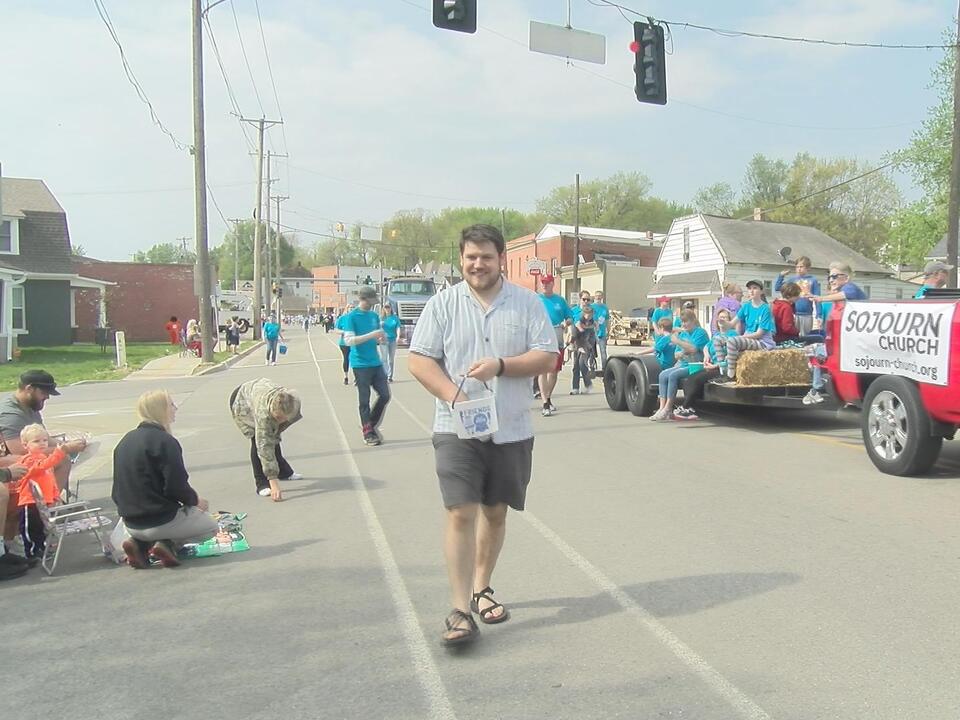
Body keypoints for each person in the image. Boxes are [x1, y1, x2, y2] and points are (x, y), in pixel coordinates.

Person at [408, 224, 556, 647]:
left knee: (495, 511)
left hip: (510, 428)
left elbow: (547, 355)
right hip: (455, 426)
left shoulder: (527, 304)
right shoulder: (442, 305)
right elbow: (419, 360)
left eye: (486, 257)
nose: (478, 264)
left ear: (501, 259)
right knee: (460, 511)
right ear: (461, 258)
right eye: (471, 256)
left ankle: (481, 587)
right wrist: (453, 396)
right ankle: (459, 610)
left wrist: (501, 366)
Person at [112, 390, 217, 568]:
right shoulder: (165, 442)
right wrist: (195, 501)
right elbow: (176, 486)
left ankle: (140, 544)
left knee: (178, 517)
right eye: (171, 405)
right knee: (211, 527)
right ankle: (167, 545)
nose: (175, 409)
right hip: (161, 519)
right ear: (161, 410)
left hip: (130, 522)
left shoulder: (125, 441)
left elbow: (118, 488)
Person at [0, 370, 86, 496]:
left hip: (15, 455)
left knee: (57, 457)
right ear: (29, 388)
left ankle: (47, 498)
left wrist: (69, 444)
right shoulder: (10, 413)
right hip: (5, 458)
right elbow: (19, 450)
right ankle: (46, 503)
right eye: (44, 392)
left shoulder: (30, 405)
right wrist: (64, 450)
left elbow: (44, 437)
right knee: (61, 460)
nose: (47, 397)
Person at [229, 379, 303, 500]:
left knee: (272, 437)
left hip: (258, 392)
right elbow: (263, 447)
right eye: (278, 417)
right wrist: (273, 483)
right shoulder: (263, 413)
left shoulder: (292, 402)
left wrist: (276, 430)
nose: (281, 421)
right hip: (241, 402)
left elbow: (274, 433)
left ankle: (284, 472)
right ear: (272, 411)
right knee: (258, 441)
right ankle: (261, 483)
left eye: (283, 418)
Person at [343, 286, 391, 446]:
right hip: (360, 363)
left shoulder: (373, 316)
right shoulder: (352, 317)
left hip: (375, 362)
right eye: (371, 301)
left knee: (385, 395)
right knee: (364, 399)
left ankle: (369, 423)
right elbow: (349, 340)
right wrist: (372, 335)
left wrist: (380, 339)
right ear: (364, 299)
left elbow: (377, 335)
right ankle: (368, 432)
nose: (373, 304)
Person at [15, 424, 66, 561]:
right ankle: (31, 551)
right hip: (29, 501)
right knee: (30, 529)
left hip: (43, 501)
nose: (42, 443)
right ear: (26, 445)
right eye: (36, 441)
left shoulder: (44, 458)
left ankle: (41, 547)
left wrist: (55, 495)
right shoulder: (28, 459)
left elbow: (51, 480)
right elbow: (40, 467)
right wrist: (59, 453)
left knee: (42, 527)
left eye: (44, 440)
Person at [650, 310, 710, 422]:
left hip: (695, 365)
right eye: (682, 322)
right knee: (663, 375)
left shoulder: (700, 333)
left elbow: (693, 349)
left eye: (686, 322)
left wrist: (679, 342)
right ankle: (661, 408)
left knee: (673, 375)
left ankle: (668, 408)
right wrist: (681, 352)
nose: (683, 325)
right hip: (682, 363)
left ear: (693, 320)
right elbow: (676, 355)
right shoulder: (683, 334)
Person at [712, 279, 776, 382]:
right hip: (748, 339)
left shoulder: (765, 308)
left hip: (762, 342)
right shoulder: (746, 306)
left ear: (761, 291)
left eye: (755, 288)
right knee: (717, 340)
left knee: (733, 341)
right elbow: (732, 324)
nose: (751, 291)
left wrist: (740, 337)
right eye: (749, 288)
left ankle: (731, 374)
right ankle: (723, 370)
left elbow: (759, 334)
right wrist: (723, 322)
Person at [537, 274, 572, 417]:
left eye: (547, 283)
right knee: (542, 370)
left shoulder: (560, 301)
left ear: (552, 284)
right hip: (541, 338)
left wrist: (566, 323)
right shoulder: (536, 299)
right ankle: (545, 402)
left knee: (553, 371)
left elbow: (570, 316)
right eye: (543, 283)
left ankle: (548, 397)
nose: (544, 285)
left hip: (557, 336)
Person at [775, 256, 820, 335]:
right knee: (795, 335)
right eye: (797, 267)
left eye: (801, 267)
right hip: (794, 313)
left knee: (806, 336)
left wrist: (819, 314)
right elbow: (778, 288)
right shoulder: (792, 279)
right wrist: (781, 276)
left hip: (807, 314)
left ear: (807, 268)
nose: (799, 269)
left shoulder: (813, 280)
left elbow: (818, 299)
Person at [570, 303, 597, 395]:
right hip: (577, 345)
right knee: (575, 367)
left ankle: (588, 384)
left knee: (582, 364)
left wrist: (589, 346)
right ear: (583, 314)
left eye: (590, 315)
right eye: (586, 314)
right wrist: (577, 346)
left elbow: (592, 337)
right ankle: (575, 387)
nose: (588, 316)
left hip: (587, 346)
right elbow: (574, 335)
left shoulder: (592, 323)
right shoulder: (578, 322)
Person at [380, 304, 402, 382]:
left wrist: (398, 337)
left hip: (392, 340)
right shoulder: (381, 318)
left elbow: (398, 327)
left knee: (391, 359)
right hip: (383, 340)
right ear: (383, 309)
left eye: (388, 307)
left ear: (390, 308)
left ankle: (390, 376)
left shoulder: (394, 318)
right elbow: (377, 328)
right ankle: (384, 375)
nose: (387, 309)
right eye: (385, 307)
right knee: (384, 358)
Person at [333, 306, 353, 385]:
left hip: (355, 341)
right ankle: (346, 376)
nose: (351, 309)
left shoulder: (356, 318)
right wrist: (344, 332)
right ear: (347, 309)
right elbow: (336, 329)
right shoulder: (342, 318)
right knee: (346, 358)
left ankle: (357, 377)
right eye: (350, 308)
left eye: (353, 307)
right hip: (344, 343)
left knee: (355, 359)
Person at [592, 290, 610, 369]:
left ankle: (604, 369)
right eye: (597, 296)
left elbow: (607, 320)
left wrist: (608, 331)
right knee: (591, 352)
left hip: (602, 333)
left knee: (603, 352)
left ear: (602, 297)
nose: (598, 297)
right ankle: (591, 367)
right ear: (594, 297)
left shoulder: (605, 308)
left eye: (600, 296)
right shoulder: (591, 306)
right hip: (592, 332)